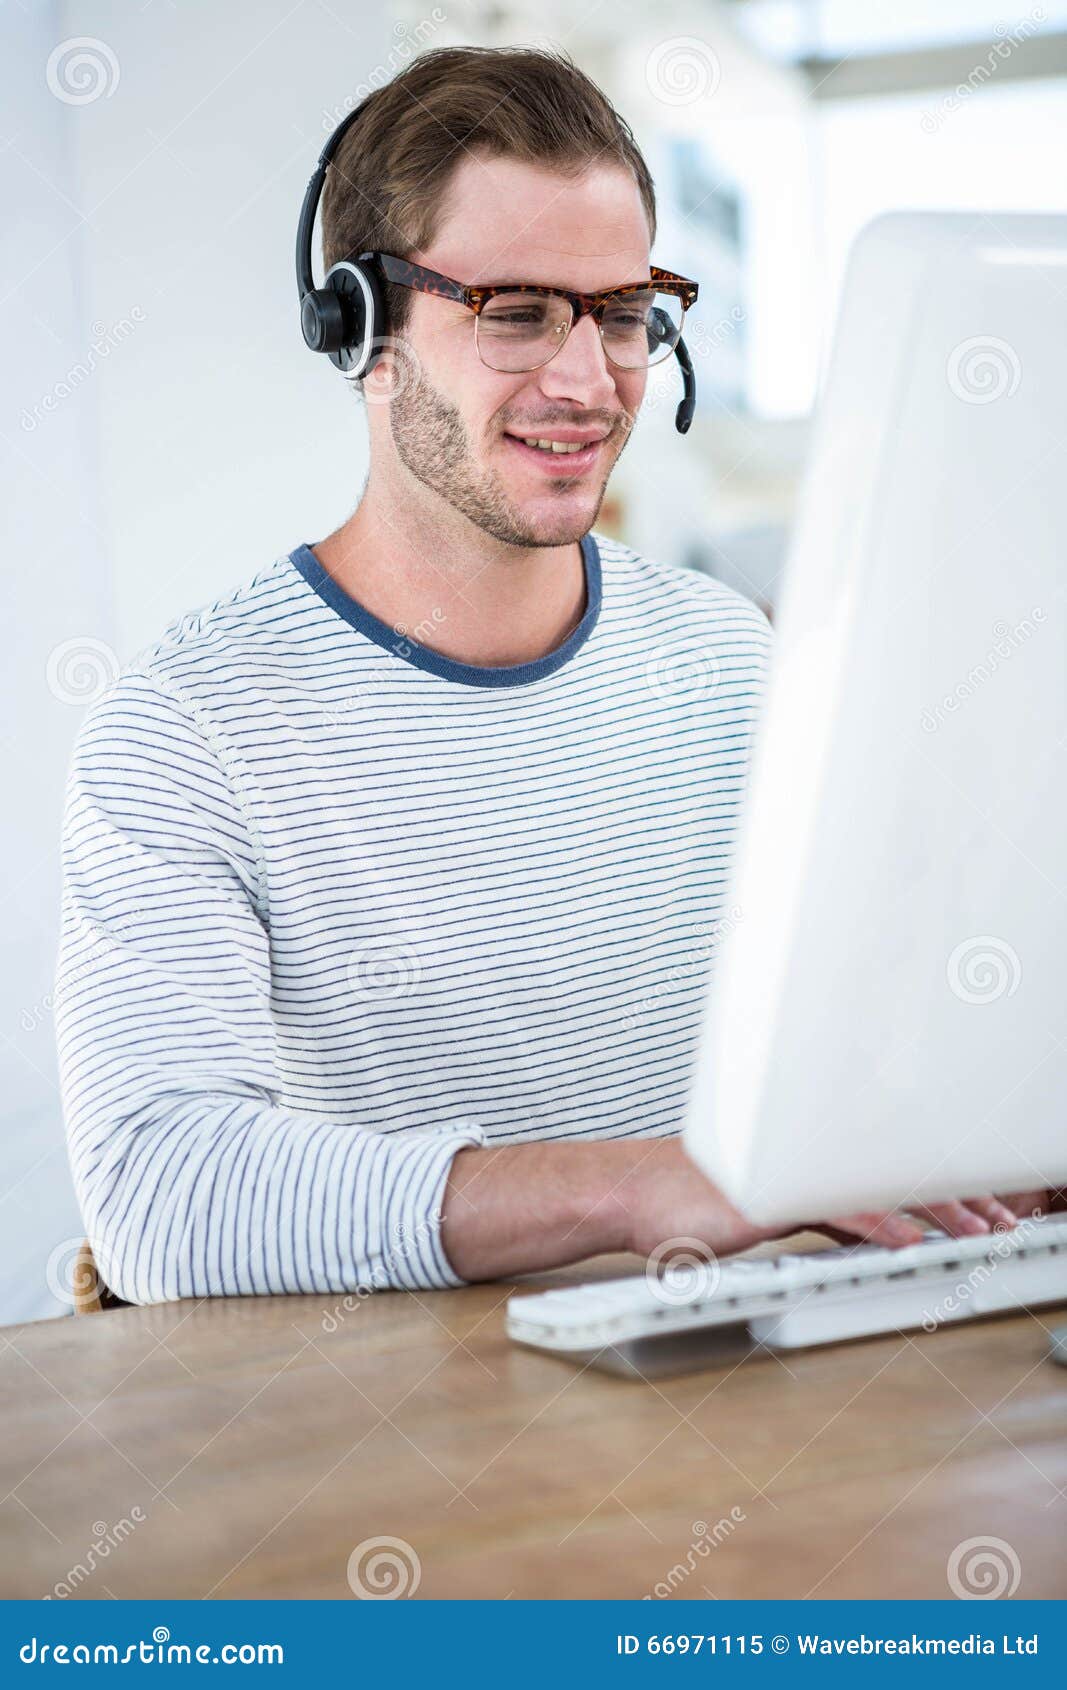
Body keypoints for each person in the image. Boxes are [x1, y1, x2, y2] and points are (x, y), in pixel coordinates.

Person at [54, 46, 1040, 1305]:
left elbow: (856, 1048)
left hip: (725, 1400)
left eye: (621, 313)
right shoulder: (185, 731)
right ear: (361, 330)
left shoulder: (729, 663)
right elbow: (162, 1198)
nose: (586, 382)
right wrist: (638, 1185)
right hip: (388, 1455)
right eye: (515, 312)